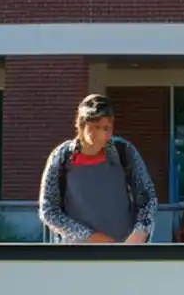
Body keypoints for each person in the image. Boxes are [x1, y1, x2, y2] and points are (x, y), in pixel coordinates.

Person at [38, 94, 157, 243]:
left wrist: (141, 231)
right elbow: (48, 211)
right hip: (76, 257)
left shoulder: (124, 152)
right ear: (81, 125)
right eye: (96, 127)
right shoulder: (61, 157)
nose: (103, 134)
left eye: (107, 128)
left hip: (123, 254)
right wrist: (89, 237)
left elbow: (147, 198)